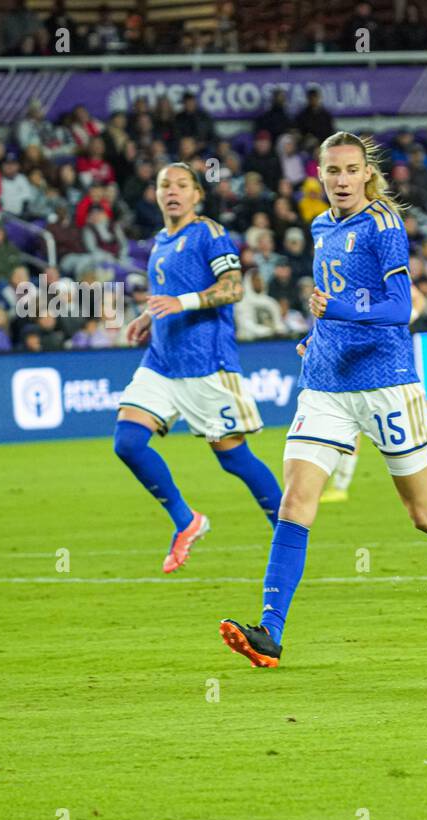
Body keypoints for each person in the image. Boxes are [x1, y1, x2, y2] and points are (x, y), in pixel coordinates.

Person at [218, 133, 427, 668]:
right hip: (325, 382)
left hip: (386, 383)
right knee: (295, 503)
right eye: (332, 171)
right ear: (319, 175)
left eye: (351, 170)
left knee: (423, 513)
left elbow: (400, 307)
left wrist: (339, 313)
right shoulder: (321, 226)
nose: (342, 180)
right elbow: (335, 303)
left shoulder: (384, 226)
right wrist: (318, 335)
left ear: (366, 174)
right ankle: (270, 632)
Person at [116, 162, 283, 574]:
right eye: (163, 184)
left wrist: (183, 302)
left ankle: (287, 530)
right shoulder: (159, 241)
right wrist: (148, 318)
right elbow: (166, 296)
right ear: (155, 194)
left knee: (234, 459)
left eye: (181, 184)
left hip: (206, 365)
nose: (172, 191)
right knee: (128, 443)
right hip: (160, 361)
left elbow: (232, 287)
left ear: (196, 195)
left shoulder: (208, 233)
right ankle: (185, 520)